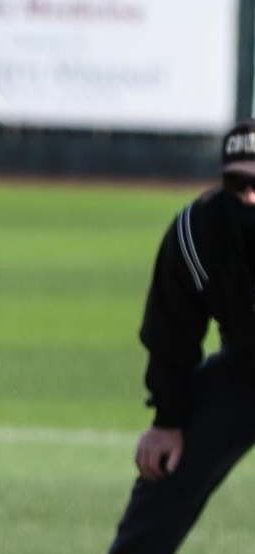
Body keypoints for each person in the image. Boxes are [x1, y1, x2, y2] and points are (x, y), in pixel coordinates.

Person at [106, 119, 255, 553]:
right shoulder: (199, 231)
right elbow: (172, 330)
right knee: (167, 468)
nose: (248, 195)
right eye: (237, 182)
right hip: (248, 368)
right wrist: (167, 421)